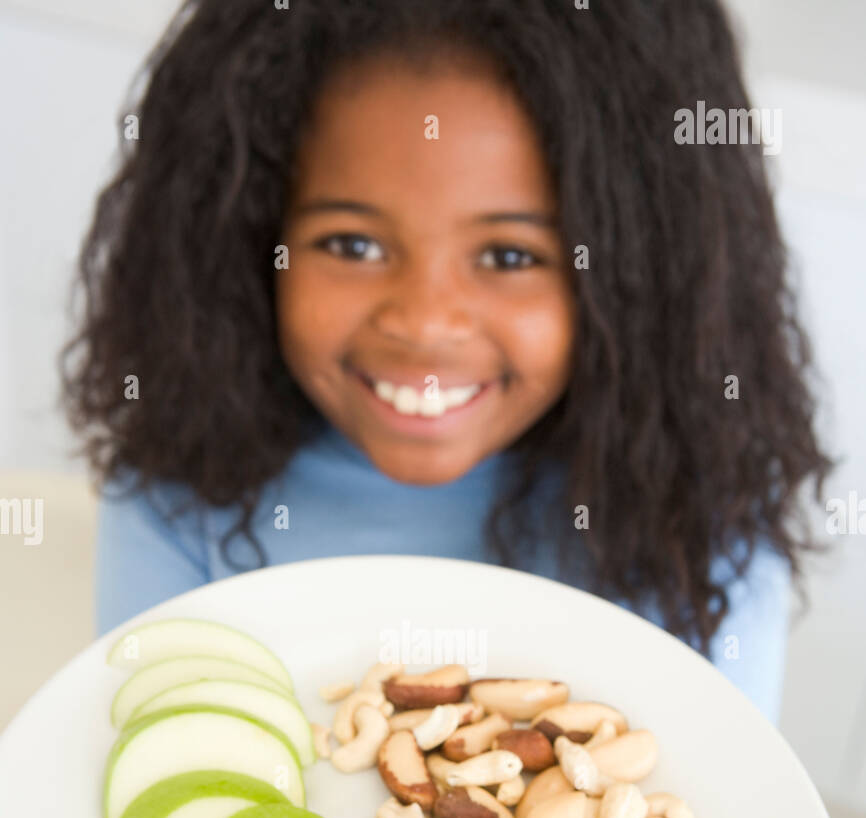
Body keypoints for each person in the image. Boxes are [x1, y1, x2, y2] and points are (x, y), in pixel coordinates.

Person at [63, 0, 832, 724]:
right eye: (351, 244)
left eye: (509, 255)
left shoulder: (698, 528)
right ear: (239, 245)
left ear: (644, 281)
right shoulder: (177, 499)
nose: (425, 323)